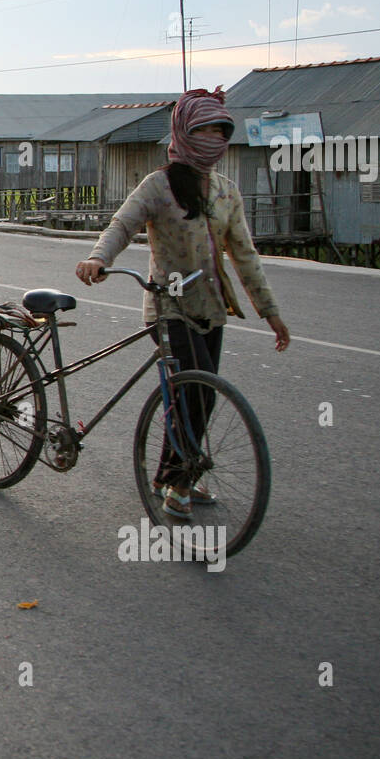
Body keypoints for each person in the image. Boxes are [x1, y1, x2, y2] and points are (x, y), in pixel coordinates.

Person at [76, 86, 292, 520]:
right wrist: (99, 258)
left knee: (204, 396)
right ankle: (178, 483)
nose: (214, 136)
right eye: (205, 129)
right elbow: (122, 224)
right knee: (189, 394)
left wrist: (272, 313)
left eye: (220, 129)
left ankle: (169, 476)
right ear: (184, 132)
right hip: (169, 308)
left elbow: (245, 256)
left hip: (211, 309)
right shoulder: (158, 186)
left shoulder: (226, 192)